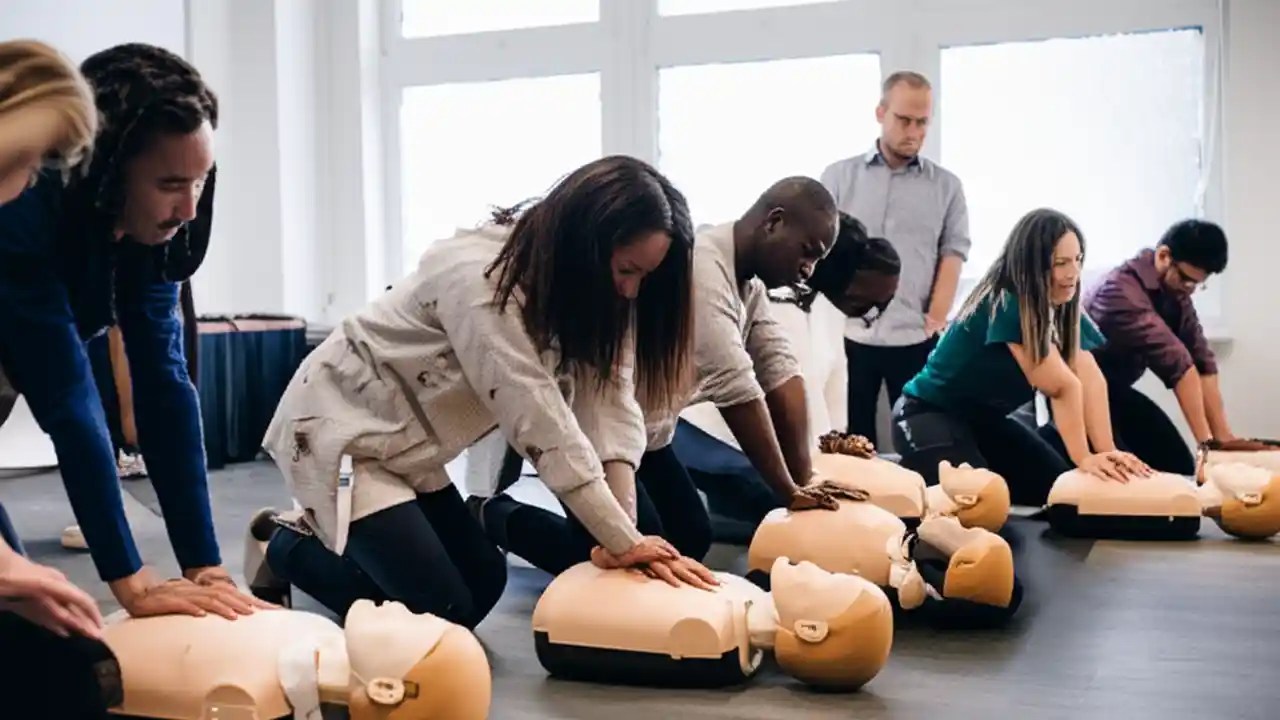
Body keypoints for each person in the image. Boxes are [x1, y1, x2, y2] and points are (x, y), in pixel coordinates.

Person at [252, 156, 719, 628]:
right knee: (440, 612)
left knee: (485, 582)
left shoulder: (593, 294)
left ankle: (336, 544)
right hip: (342, 431)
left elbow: (611, 408)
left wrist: (627, 538)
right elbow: (537, 417)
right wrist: (623, 541)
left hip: (407, 447)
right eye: (626, 271)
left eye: (644, 277)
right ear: (587, 243)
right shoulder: (482, 280)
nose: (631, 292)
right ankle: (284, 545)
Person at [0, 42, 265, 621]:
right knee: (25, 630)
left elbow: (164, 383)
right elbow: (69, 400)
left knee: (42, 639)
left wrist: (205, 565)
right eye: (171, 183)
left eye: (201, 180)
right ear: (109, 175)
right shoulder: (22, 208)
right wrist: (131, 580)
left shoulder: (155, 229)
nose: (190, 207)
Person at [471, 177, 844, 572]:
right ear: (774, 222)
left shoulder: (748, 284)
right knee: (625, 557)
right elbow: (737, 389)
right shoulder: (703, 266)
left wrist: (805, 480)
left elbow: (779, 368)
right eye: (808, 252)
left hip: (648, 429)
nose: (809, 270)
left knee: (689, 537)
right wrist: (787, 490)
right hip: (592, 423)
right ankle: (494, 515)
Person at [889, 208, 1151, 507]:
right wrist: (1084, 458)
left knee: (1056, 494)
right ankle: (910, 478)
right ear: (1032, 266)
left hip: (984, 421)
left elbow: (1088, 375)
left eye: (1077, 260)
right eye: (1060, 263)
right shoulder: (1007, 302)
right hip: (928, 414)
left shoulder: (1061, 301)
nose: (1073, 274)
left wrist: (1106, 450)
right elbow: (1063, 386)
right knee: (975, 504)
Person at [673, 212, 902, 542]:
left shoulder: (824, 309)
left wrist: (835, 454)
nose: (865, 308)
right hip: (709, 433)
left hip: (758, 429)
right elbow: (750, 392)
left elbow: (822, 398)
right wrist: (799, 483)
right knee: (807, 514)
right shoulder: (761, 293)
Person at [820, 70, 970, 448]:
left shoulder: (947, 186)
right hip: (846, 335)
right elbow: (818, 250)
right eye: (904, 120)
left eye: (923, 122)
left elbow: (953, 252)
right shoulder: (838, 177)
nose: (914, 131)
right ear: (880, 113)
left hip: (914, 335)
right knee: (848, 441)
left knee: (921, 439)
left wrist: (933, 318)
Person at [1081, 219, 1262, 473]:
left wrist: (1224, 440)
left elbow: (1202, 362)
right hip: (1080, 395)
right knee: (1128, 475)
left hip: (1115, 392)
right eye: (1187, 280)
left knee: (1178, 466)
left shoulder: (1175, 290)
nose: (1190, 290)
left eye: (1197, 284)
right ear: (1164, 256)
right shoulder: (1119, 292)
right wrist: (1207, 447)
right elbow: (1178, 363)